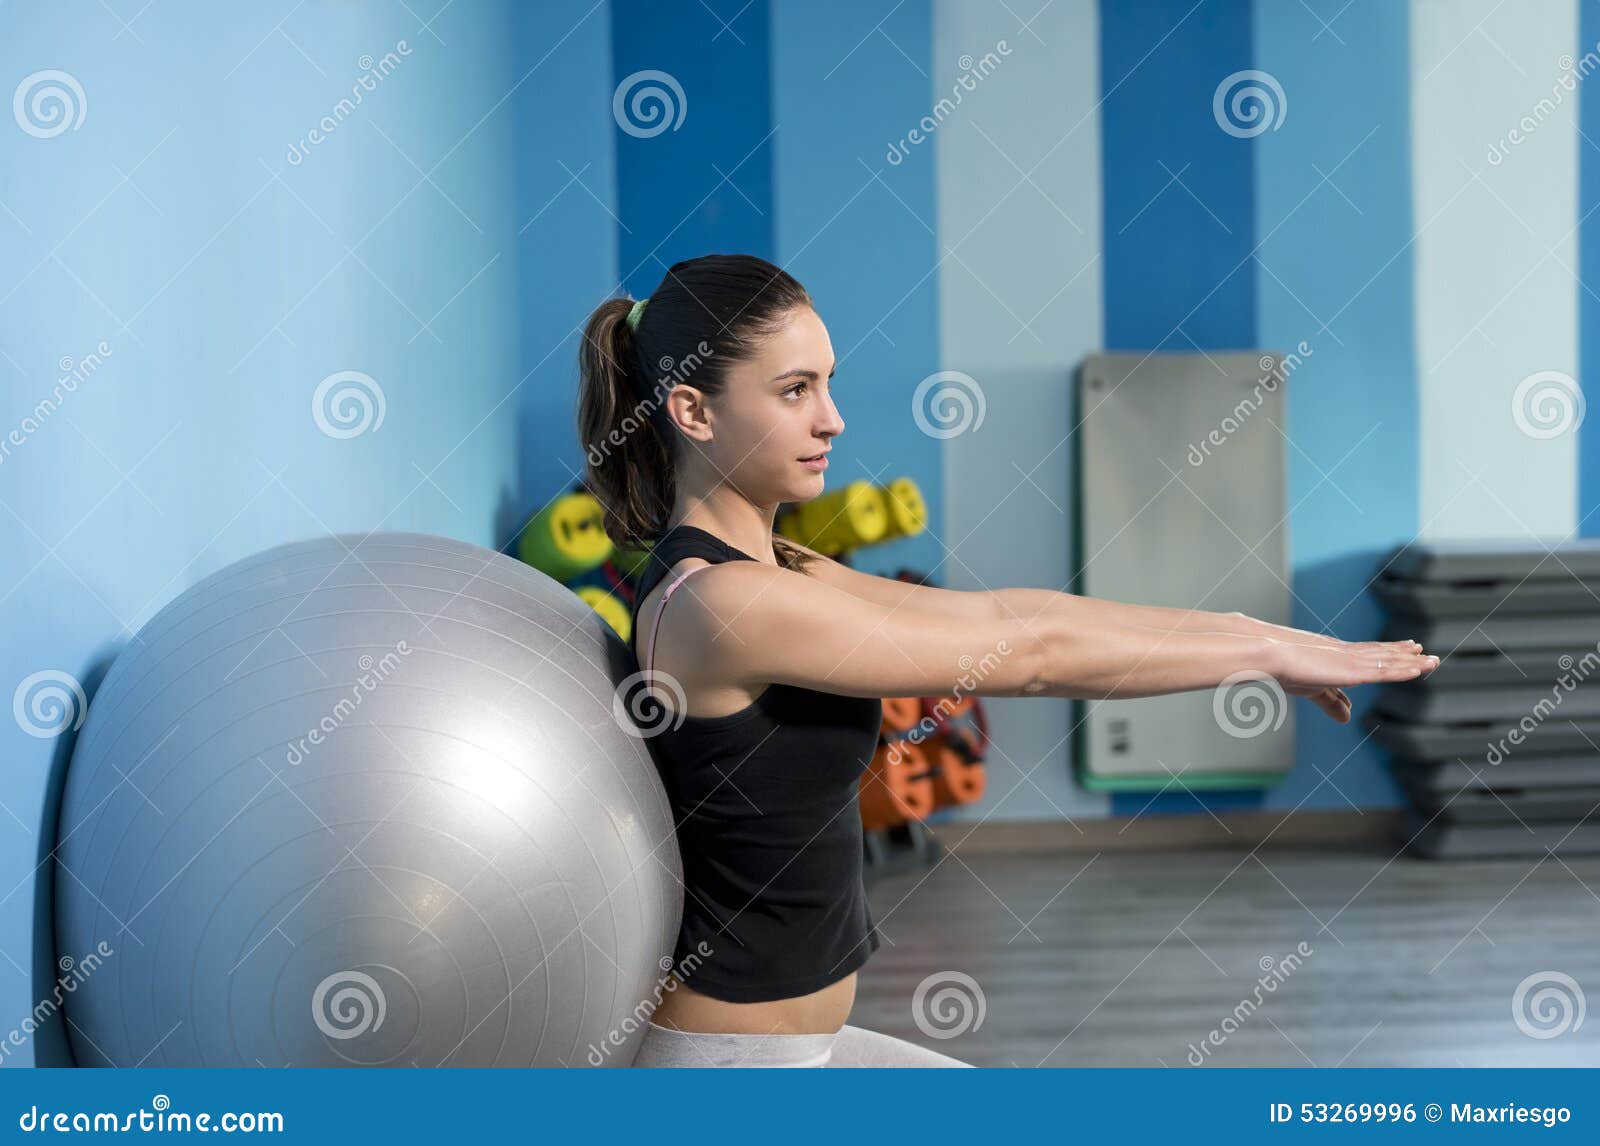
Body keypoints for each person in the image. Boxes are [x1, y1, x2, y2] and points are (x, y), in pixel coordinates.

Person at [574, 253, 1438, 1068]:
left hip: (796, 1046)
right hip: (735, 1069)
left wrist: (1256, 630)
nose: (831, 418)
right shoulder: (725, 605)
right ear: (693, 410)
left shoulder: (779, 572)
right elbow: (1026, 658)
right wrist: (1262, 653)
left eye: (827, 384)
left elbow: (1017, 615)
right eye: (794, 390)